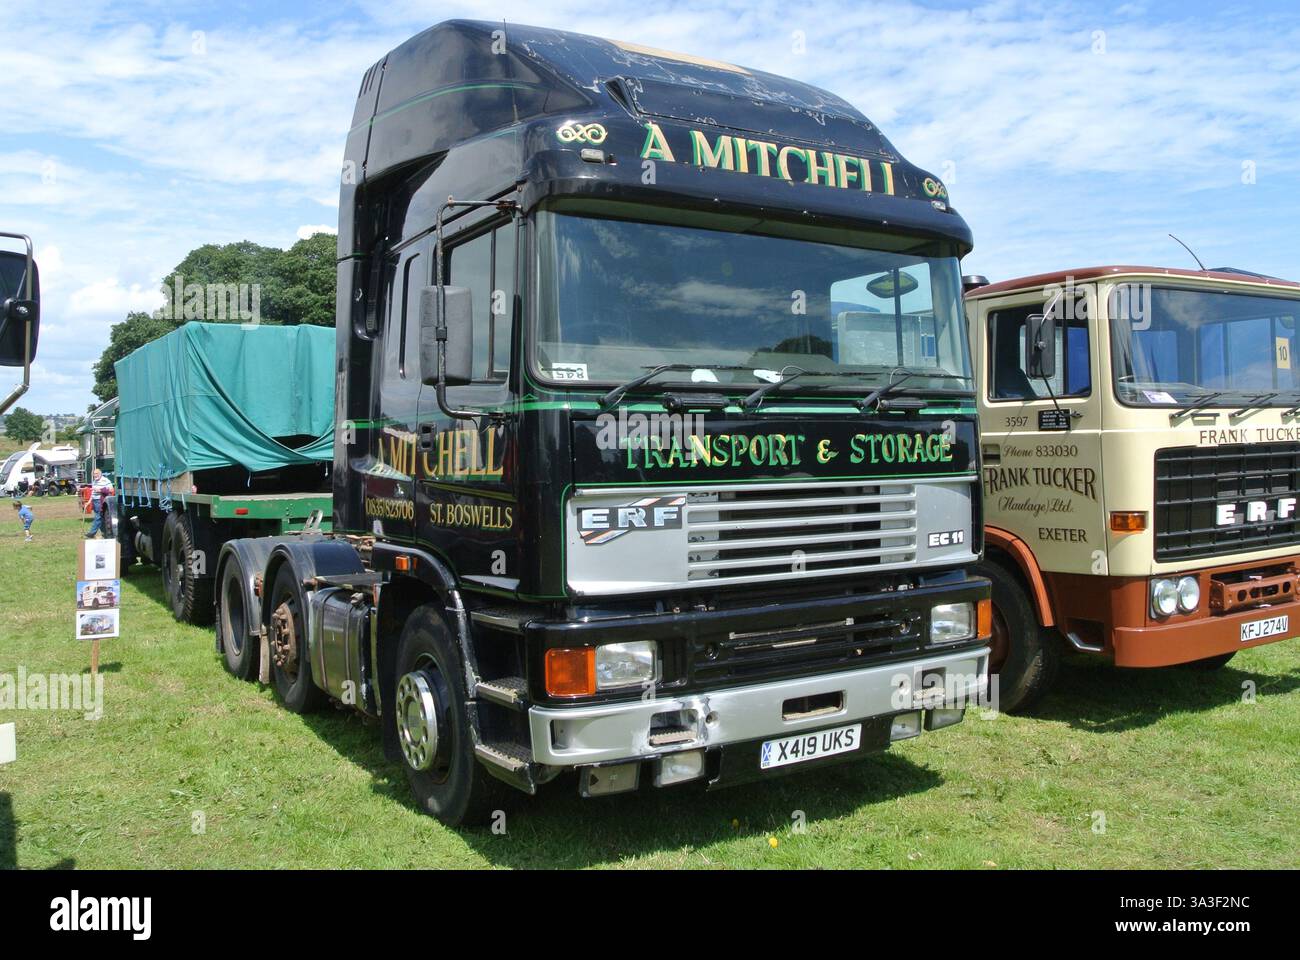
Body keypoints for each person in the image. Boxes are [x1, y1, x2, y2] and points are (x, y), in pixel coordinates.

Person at [85, 468, 114, 539]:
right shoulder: (94, 481)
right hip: (95, 501)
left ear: (100, 474)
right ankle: (105, 534)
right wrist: (89, 502)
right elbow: (93, 493)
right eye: (94, 474)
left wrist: (100, 490)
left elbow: (111, 490)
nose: (95, 475)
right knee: (101, 518)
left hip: (101, 501)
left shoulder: (105, 480)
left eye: (96, 474)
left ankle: (92, 533)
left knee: (98, 517)